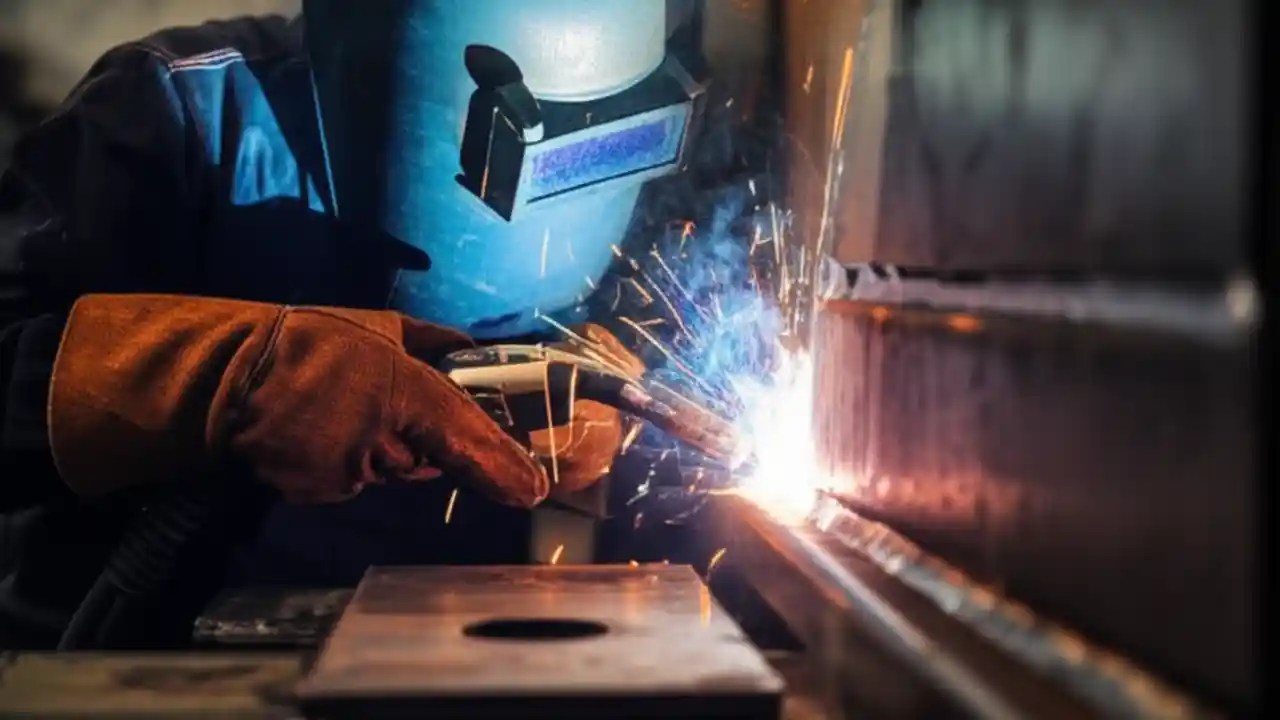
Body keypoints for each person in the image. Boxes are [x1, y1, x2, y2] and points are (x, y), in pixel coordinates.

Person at [0, 4, 673, 647]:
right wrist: (220, 378)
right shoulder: (177, 112)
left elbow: (689, 359)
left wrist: (624, 414)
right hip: (137, 658)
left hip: (456, 651)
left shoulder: (658, 122)